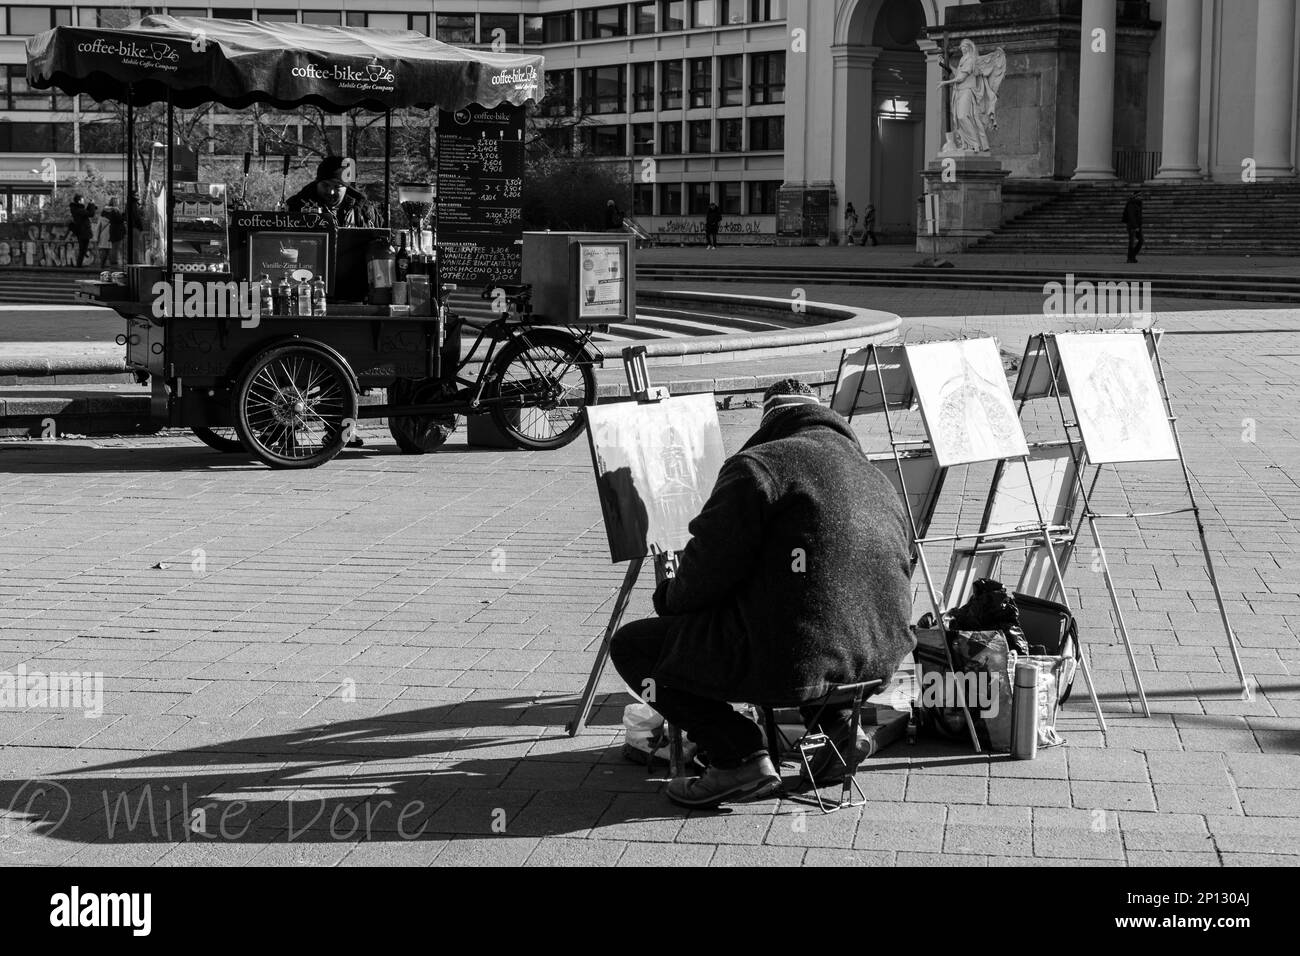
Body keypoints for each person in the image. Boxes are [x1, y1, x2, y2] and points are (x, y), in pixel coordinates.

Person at [609, 379, 916, 809]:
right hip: (882, 653)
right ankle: (841, 729)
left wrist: (668, 599)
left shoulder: (760, 466)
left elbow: (706, 571)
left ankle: (739, 757)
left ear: (769, 422)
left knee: (633, 647)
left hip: (798, 656)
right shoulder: (875, 477)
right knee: (812, 625)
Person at [286, 156, 365, 222]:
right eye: (325, 185)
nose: (331, 192)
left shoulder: (364, 211)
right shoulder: (294, 207)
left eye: (337, 187)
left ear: (346, 188)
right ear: (317, 183)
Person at [68, 194, 92, 267]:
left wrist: (90, 205)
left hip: (80, 231)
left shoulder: (76, 209)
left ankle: (79, 264)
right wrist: (92, 205)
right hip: (83, 231)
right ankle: (79, 265)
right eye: (82, 200)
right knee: (82, 249)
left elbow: (86, 213)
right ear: (79, 201)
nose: (83, 201)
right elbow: (91, 214)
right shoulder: (78, 210)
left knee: (83, 249)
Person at [102, 197, 126, 267]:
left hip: (116, 231)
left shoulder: (114, 210)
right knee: (116, 247)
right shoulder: (113, 210)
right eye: (116, 201)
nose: (118, 202)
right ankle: (114, 262)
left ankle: (114, 261)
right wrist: (123, 216)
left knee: (116, 247)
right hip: (116, 231)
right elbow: (118, 220)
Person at [1122, 190, 1144, 263]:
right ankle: (1130, 258)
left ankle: (1132, 256)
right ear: (1135, 196)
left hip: (1138, 226)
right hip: (1132, 226)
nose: (1141, 197)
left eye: (1141, 195)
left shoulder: (1139, 203)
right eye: (1139, 195)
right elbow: (1131, 216)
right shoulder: (1131, 203)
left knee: (1141, 241)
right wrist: (1135, 226)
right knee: (1132, 242)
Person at [92, 203, 113, 268]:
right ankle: (110, 264)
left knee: (104, 250)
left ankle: (102, 264)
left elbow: (98, 228)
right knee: (110, 251)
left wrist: (95, 238)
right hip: (111, 235)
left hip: (103, 236)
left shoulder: (101, 219)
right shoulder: (113, 218)